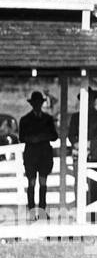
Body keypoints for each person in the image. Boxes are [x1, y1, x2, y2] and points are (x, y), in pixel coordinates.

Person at [19, 92, 60, 220]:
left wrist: (42, 137)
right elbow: (22, 137)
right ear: (32, 104)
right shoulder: (25, 119)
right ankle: (31, 212)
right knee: (31, 183)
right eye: (35, 103)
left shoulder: (48, 119)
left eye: (39, 103)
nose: (37, 105)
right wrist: (33, 139)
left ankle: (42, 211)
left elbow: (54, 136)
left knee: (43, 183)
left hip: (44, 155)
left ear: (41, 104)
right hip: (31, 155)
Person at [67, 89, 97, 202]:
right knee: (79, 182)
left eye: (90, 99)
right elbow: (71, 135)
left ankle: (93, 211)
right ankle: (79, 208)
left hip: (93, 154)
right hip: (78, 153)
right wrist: (79, 147)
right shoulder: (75, 117)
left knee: (93, 184)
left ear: (94, 100)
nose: (88, 101)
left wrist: (88, 147)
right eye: (85, 99)